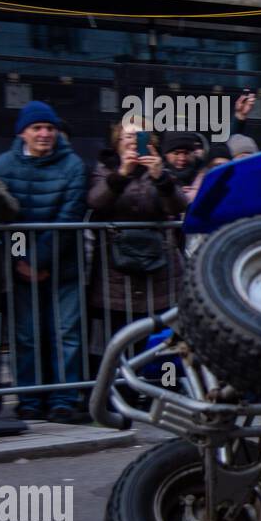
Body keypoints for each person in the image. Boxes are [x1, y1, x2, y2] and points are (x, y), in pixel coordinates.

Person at [0, 101, 89, 422]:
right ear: (23, 133)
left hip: (64, 265)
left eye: (49, 128)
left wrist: (40, 261)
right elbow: (10, 221)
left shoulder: (73, 165)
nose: (45, 134)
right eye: (37, 128)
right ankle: (29, 401)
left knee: (66, 334)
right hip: (22, 267)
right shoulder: (4, 165)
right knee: (26, 336)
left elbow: (69, 216)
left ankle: (64, 399)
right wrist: (23, 261)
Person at [87, 118, 189, 355]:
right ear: (117, 143)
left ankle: (163, 387)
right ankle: (124, 390)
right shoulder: (105, 169)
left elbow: (177, 206)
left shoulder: (159, 169)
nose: (134, 142)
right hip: (117, 274)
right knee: (120, 341)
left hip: (160, 273)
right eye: (128, 136)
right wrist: (122, 174)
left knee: (162, 344)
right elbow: (96, 202)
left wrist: (160, 178)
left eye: (140, 136)